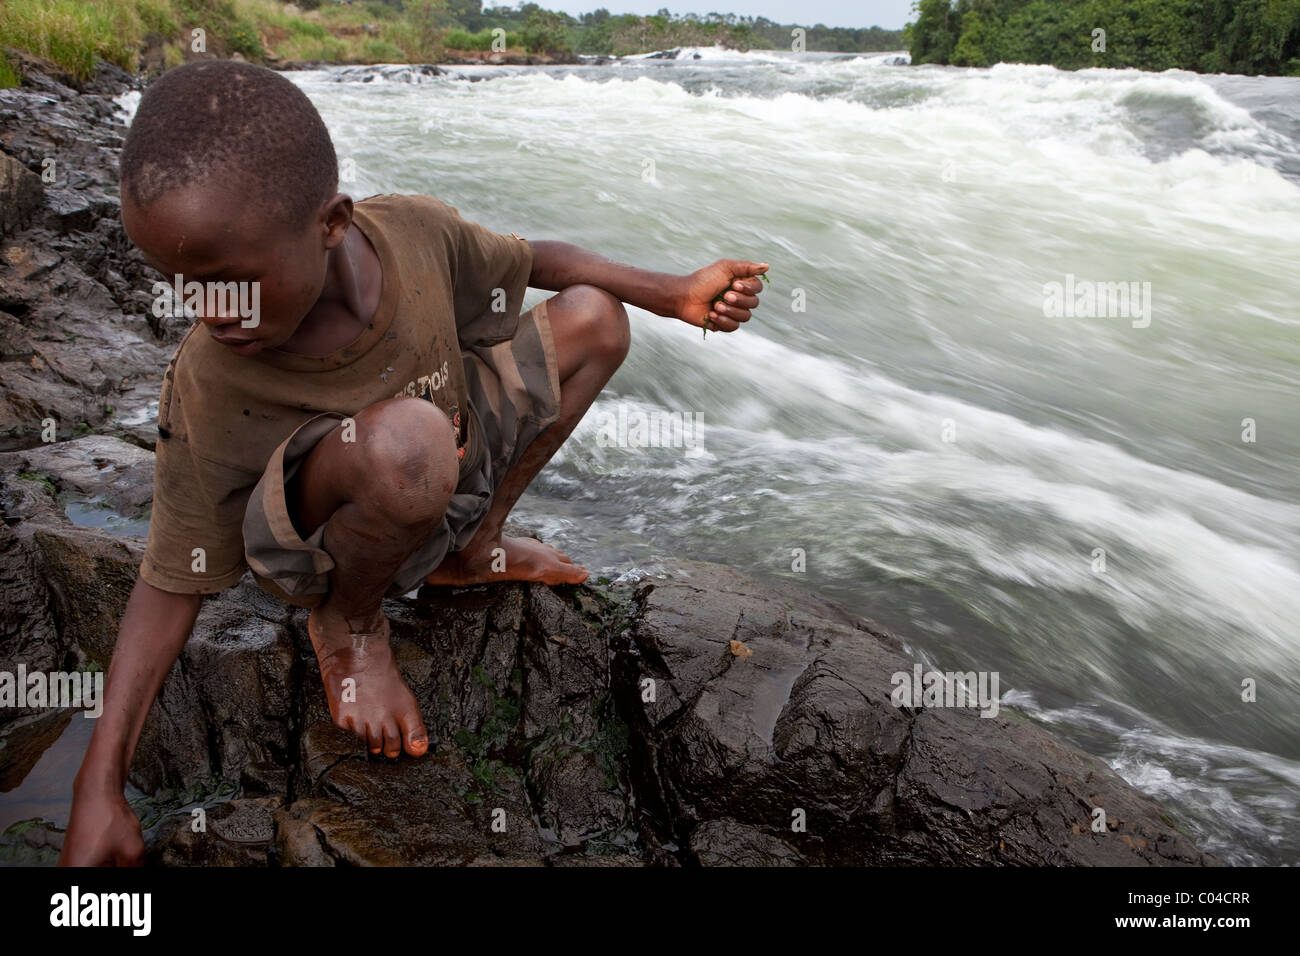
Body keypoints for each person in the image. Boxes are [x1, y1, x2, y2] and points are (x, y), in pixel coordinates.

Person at [58, 59, 769, 865]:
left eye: (229, 283)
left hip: (439, 471)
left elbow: (535, 261)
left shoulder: (415, 235)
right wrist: (99, 785)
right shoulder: (214, 375)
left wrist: (670, 292)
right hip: (325, 541)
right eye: (179, 285)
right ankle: (354, 629)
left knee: (596, 321)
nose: (208, 311)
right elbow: (168, 577)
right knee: (406, 443)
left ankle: (477, 543)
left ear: (331, 223)